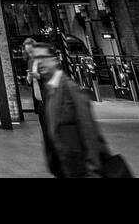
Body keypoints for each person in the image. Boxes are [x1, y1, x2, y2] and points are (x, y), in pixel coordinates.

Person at [38, 48, 109, 178]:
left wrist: (92, 168)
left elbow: (88, 129)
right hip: (66, 166)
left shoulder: (70, 88)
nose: (40, 63)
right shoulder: (50, 89)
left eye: (43, 58)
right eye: (37, 59)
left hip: (81, 168)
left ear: (55, 60)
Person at [24, 39, 62, 177]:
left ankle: (60, 164)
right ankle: (54, 164)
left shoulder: (47, 65)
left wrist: (39, 75)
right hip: (39, 103)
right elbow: (31, 83)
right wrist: (29, 78)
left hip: (50, 102)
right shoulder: (30, 62)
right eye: (28, 53)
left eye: (32, 52)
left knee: (54, 133)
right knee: (46, 134)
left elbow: (53, 79)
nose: (30, 55)